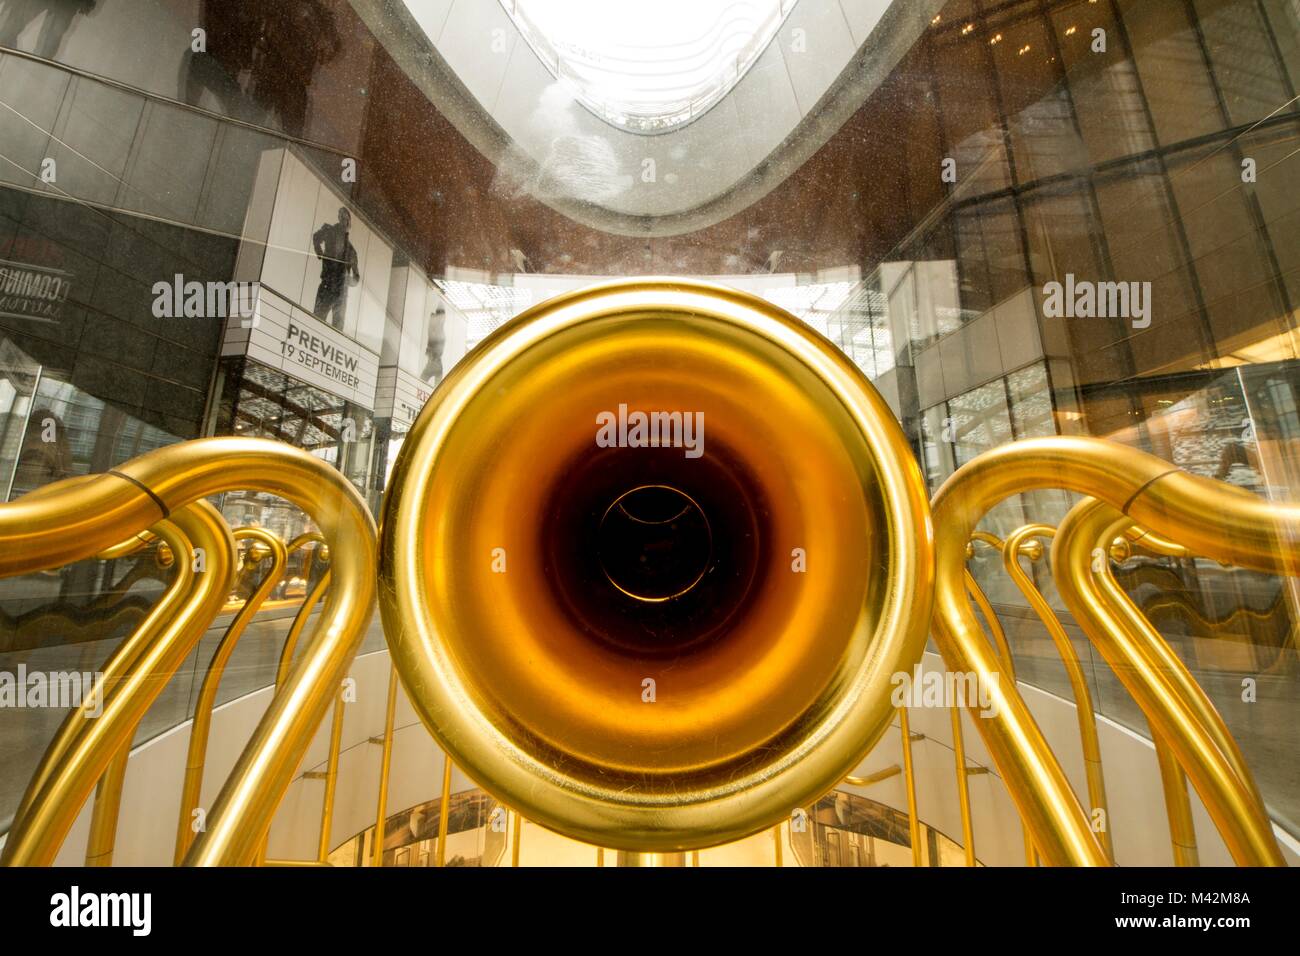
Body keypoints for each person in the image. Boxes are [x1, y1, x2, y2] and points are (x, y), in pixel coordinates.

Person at [312, 207, 359, 329]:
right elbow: (316, 237)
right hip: (327, 285)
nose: (345, 222)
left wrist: (350, 281)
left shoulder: (352, 251)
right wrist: (319, 253)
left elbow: (356, 277)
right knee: (316, 321)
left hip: (341, 292)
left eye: (347, 220)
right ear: (339, 218)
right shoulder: (329, 231)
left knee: (337, 330)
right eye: (343, 218)